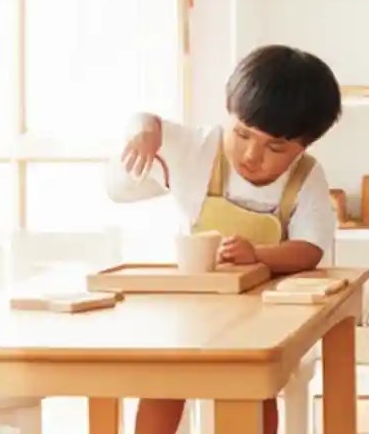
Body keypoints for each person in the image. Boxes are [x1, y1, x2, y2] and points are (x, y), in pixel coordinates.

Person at [107, 44, 342, 434]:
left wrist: (260, 254)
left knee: (253, 388)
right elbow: (147, 121)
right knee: (162, 382)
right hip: (190, 312)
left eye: (275, 147)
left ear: (304, 147)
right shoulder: (200, 150)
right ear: (229, 116)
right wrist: (143, 133)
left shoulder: (306, 178)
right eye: (243, 134)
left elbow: (310, 250)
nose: (252, 154)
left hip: (261, 321)